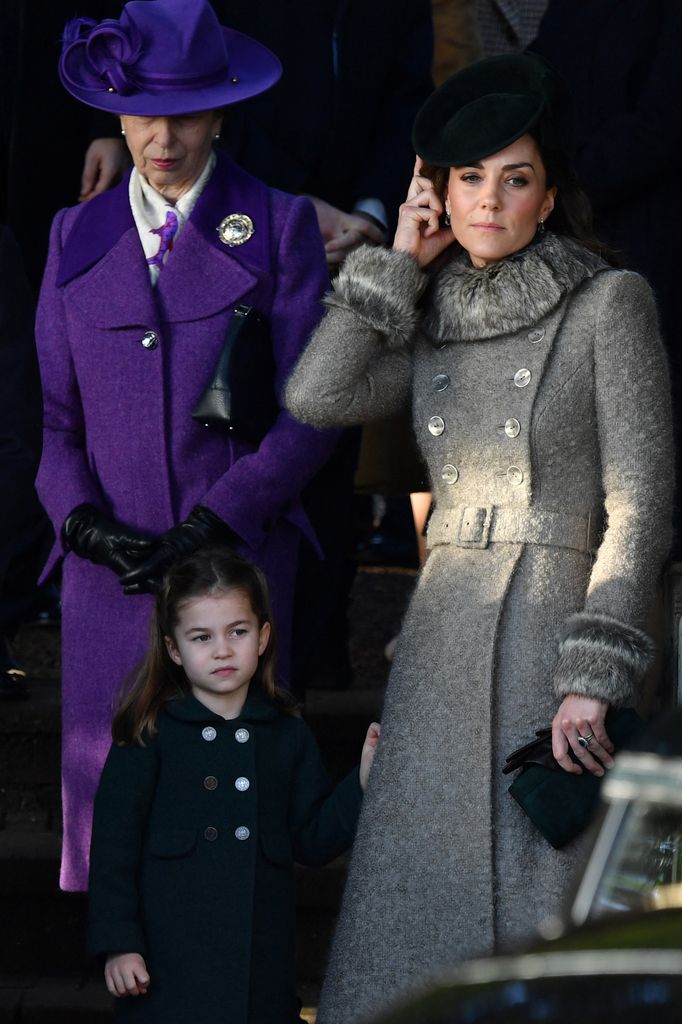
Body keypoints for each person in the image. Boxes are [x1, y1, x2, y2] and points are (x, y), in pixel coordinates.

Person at [285, 53, 673, 1021]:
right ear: (437, 194)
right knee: (419, 899)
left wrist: (597, 670)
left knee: (539, 890)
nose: (489, 199)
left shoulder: (607, 302)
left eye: (515, 178)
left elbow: (640, 504)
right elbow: (315, 395)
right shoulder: (432, 319)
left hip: (551, 636)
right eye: (467, 178)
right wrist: (393, 265)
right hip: (443, 634)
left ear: (547, 199)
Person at [35, 0, 338, 892]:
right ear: (116, 112)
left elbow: (312, 413)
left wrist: (217, 520)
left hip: (235, 570)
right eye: (143, 112)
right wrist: (83, 526)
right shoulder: (70, 235)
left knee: (227, 850)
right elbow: (54, 424)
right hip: (112, 582)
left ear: (222, 110)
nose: (163, 136)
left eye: (189, 111)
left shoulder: (279, 225)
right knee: (121, 844)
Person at [88, 547, 380, 1023]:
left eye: (237, 632)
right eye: (202, 637)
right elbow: (112, 851)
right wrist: (118, 945)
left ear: (262, 637)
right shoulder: (150, 733)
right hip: (168, 962)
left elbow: (311, 839)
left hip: (257, 967)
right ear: (174, 649)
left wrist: (363, 779)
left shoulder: (287, 732)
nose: (222, 649)